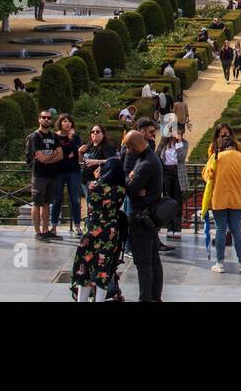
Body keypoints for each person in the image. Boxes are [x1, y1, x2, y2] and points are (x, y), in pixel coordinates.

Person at [70, 156, 127, 301]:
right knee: (104, 270)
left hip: (93, 230)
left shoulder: (93, 186)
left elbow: (92, 189)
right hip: (111, 232)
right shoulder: (121, 190)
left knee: (84, 267)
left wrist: (98, 177)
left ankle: (81, 299)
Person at [124, 130, 165, 302]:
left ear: (134, 146)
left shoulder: (146, 163)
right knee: (153, 260)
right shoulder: (149, 158)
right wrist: (132, 179)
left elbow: (131, 190)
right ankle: (155, 296)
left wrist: (130, 181)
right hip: (149, 217)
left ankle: (146, 298)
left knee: (144, 263)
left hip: (142, 218)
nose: (127, 151)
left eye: (128, 147)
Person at [203, 131, 241, 273]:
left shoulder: (216, 157)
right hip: (237, 199)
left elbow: (206, 176)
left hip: (219, 198)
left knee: (220, 230)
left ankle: (220, 263)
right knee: (236, 230)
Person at [25, 111, 64, 240]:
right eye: (44, 117)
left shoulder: (54, 136)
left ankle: (46, 230)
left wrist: (48, 158)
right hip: (39, 174)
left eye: (49, 118)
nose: (46, 119)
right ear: (39, 119)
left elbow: (61, 155)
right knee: (36, 203)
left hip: (52, 174)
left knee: (47, 204)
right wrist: (53, 155)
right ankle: (38, 232)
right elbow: (40, 158)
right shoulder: (35, 136)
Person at [50, 114, 84, 234]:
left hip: (73, 171)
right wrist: (66, 155)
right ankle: (53, 226)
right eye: (65, 121)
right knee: (57, 199)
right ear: (60, 123)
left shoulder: (74, 136)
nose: (67, 123)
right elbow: (55, 152)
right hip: (58, 171)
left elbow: (78, 152)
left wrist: (71, 138)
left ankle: (77, 226)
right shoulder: (54, 136)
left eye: (69, 121)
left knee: (74, 199)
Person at [158, 125, 189, 241]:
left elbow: (181, 157)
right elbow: (157, 154)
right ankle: (169, 227)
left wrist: (179, 142)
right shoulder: (165, 143)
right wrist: (162, 140)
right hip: (166, 172)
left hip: (177, 172)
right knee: (167, 199)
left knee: (177, 200)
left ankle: (177, 227)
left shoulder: (184, 143)